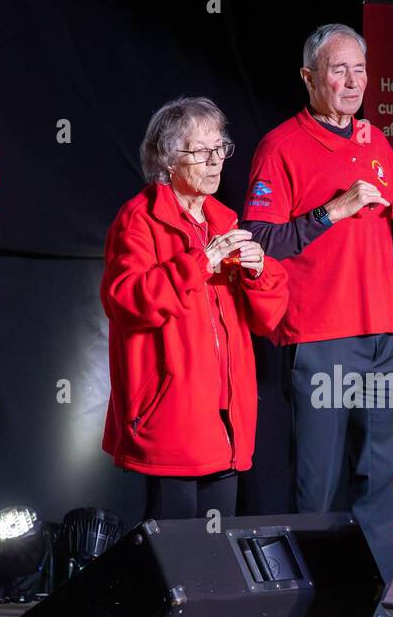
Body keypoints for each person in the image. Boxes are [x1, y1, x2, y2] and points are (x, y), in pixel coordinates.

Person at [242, 24, 393, 617]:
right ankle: (312, 606)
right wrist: (332, 211)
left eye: (360, 71)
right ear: (309, 77)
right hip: (322, 337)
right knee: (318, 482)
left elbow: (385, 236)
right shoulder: (279, 146)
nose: (352, 84)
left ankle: (366, 603)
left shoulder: (378, 140)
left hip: (383, 335)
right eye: (338, 71)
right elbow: (262, 240)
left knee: (380, 479)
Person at [101, 97, 289, 521]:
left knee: (216, 555)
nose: (215, 161)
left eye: (220, 148)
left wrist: (260, 273)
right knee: (177, 560)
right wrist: (200, 264)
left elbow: (267, 317)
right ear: (168, 161)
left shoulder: (225, 221)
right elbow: (127, 301)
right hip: (171, 416)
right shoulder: (138, 220)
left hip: (226, 418)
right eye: (200, 152)